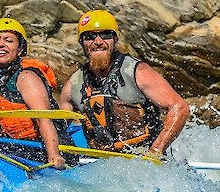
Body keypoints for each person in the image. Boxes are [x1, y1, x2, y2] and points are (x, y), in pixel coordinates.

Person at [59, 10, 189, 157]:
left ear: (115, 39)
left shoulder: (137, 72)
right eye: (90, 36)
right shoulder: (73, 86)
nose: (98, 41)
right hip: (101, 163)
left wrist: (155, 151)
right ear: (81, 42)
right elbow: (60, 128)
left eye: (106, 35)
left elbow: (180, 108)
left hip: (144, 160)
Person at [0, 18, 68, 169]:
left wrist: (54, 155)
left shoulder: (26, 77)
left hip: (39, 151)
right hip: (13, 149)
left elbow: (44, 119)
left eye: (9, 40)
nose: (1, 44)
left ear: (20, 49)